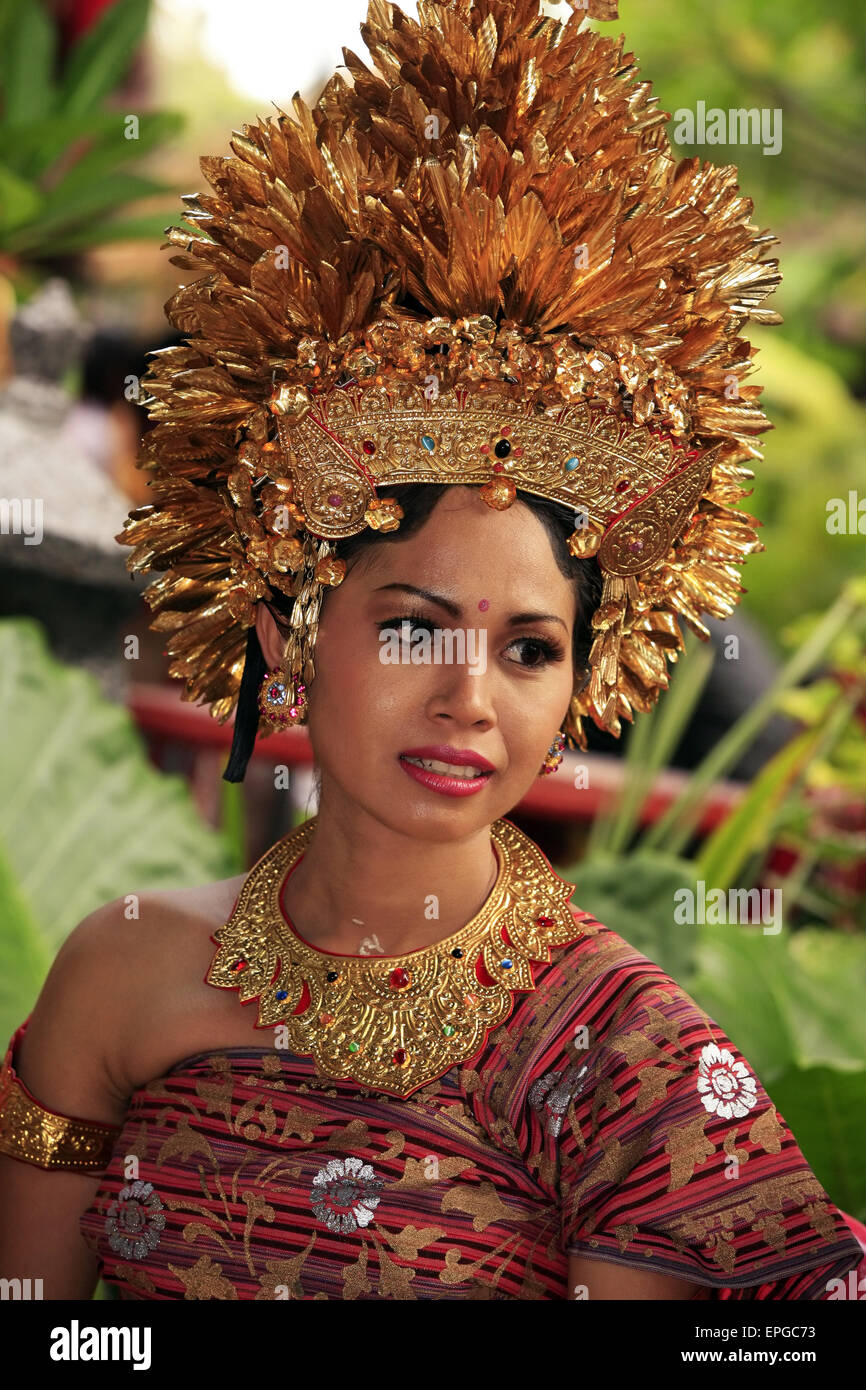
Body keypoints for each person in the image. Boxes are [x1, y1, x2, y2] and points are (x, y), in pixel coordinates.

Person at [1, 0, 863, 1301]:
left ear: (581, 686)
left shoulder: (626, 1054)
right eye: (414, 624)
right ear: (285, 639)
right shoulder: (118, 968)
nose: (470, 698)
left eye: (527, 649)